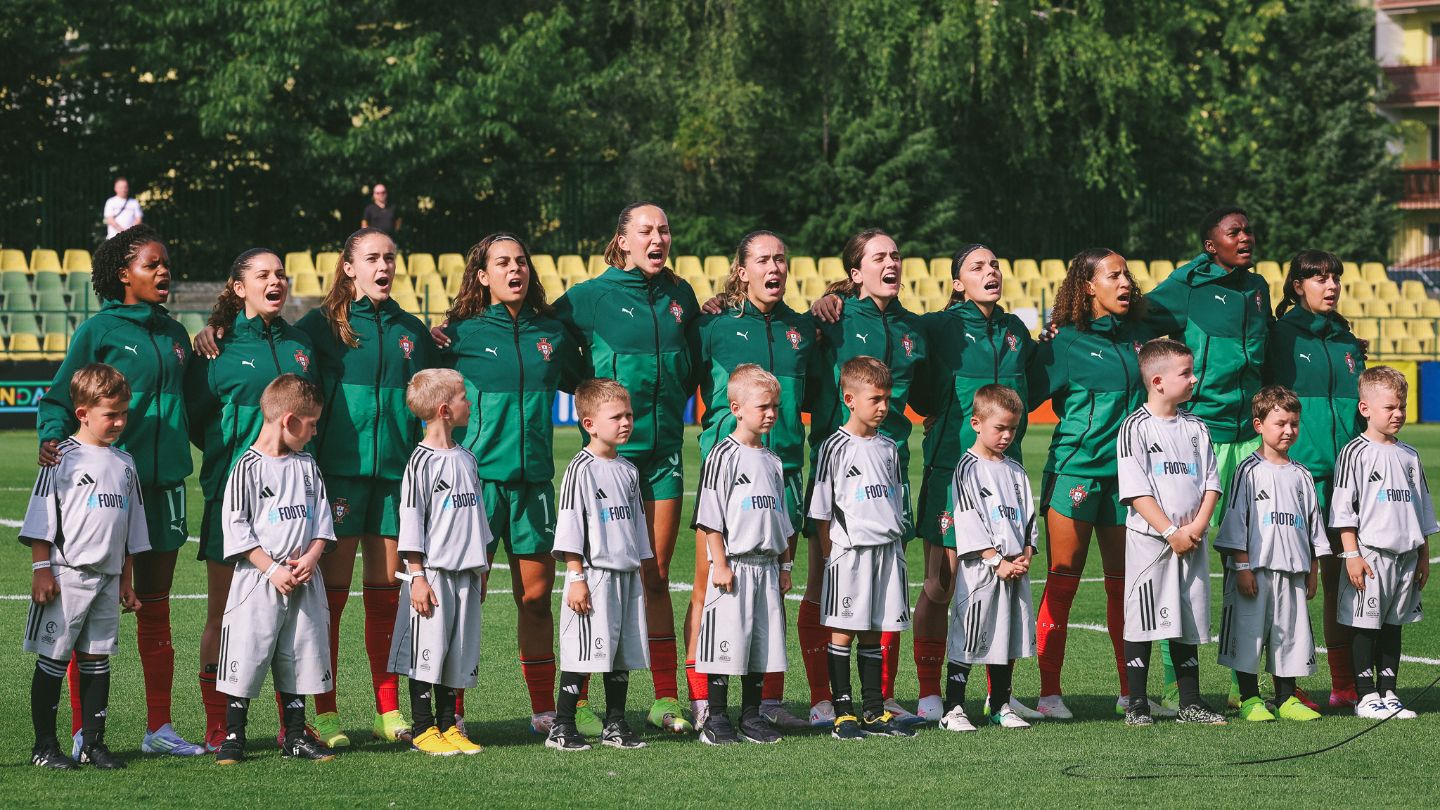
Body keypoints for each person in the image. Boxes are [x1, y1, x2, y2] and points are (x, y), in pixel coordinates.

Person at [194, 227, 436, 744]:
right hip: (314, 484)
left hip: (389, 481)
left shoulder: (397, 329)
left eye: (390, 257)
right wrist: (213, 329)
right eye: (373, 257)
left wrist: (449, 331)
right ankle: (302, 715)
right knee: (314, 602)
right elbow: (197, 416)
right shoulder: (318, 329)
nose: (384, 266)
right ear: (348, 267)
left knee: (382, 598)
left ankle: (385, 709)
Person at [36, 224, 203, 757]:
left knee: (155, 606)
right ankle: (85, 732)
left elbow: (198, 408)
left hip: (165, 487)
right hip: (104, 493)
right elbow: (61, 397)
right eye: (151, 264)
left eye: (165, 263)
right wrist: (49, 439)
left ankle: (159, 728)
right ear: (122, 273)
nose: (163, 271)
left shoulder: (178, 334)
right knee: (85, 611)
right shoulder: (98, 330)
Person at [553, 202, 700, 733]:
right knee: (595, 579)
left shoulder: (681, 295)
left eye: (664, 228)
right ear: (623, 240)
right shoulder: (591, 297)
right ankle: (582, 700)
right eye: (647, 230)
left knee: (654, 577)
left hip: (661, 459)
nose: (658, 237)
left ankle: (664, 698)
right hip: (609, 466)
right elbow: (548, 339)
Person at [433, 233, 582, 735]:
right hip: (474, 487)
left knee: (536, 599)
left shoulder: (552, 334)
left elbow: (585, 383)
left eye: (521, 261)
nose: (514, 269)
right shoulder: (458, 335)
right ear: (482, 275)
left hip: (535, 482)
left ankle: (544, 709)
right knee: (463, 599)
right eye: (502, 263)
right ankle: (449, 712)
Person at [185, 248, 319, 751]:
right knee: (225, 612)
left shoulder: (303, 344)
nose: (276, 281)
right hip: (233, 499)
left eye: (281, 273)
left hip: (294, 503)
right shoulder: (213, 349)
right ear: (238, 287)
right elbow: (199, 421)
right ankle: (219, 724)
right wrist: (231, 464)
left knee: (294, 615)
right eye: (263, 274)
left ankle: (292, 726)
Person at [1144, 207, 1272, 710]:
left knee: (1255, 558)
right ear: (1210, 243)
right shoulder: (1187, 283)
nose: (1245, 237)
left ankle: (1252, 687)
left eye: (1247, 230)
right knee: (1185, 558)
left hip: (1251, 437)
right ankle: (1179, 684)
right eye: (1233, 232)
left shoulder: (1258, 287)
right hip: (1200, 435)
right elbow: (1141, 319)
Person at [686, 230, 813, 731]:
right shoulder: (712, 327)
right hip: (730, 475)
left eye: (781, 258)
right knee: (708, 589)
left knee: (772, 590)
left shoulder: (803, 329)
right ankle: (702, 702)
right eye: (763, 260)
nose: (774, 268)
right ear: (742, 271)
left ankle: (766, 704)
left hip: (785, 472)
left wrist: (833, 299)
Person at [800, 228, 927, 727]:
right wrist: (818, 304)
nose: (892, 262)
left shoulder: (916, 328)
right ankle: (821, 699)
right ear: (856, 274)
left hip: (892, 466)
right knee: (823, 583)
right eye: (880, 257)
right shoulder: (830, 319)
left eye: (897, 254)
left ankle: (881, 700)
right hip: (842, 468)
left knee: (887, 586)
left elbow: (931, 398)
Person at [909, 242, 1040, 723]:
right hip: (951, 471)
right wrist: (836, 296)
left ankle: (997, 697)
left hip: (1005, 477)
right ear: (957, 283)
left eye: (996, 266)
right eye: (977, 267)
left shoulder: (1013, 330)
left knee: (1001, 581)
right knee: (943, 584)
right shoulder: (938, 326)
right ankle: (929, 693)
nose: (991, 273)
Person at [1029, 249, 1152, 720]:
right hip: (1075, 473)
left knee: (1125, 586)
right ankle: (1048, 694)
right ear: (1087, 286)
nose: (1125, 282)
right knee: (1064, 579)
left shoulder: (1142, 336)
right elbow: (1019, 391)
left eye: (1127, 274)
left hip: (1130, 482)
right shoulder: (1063, 343)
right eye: (1113, 275)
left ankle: (1130, 692)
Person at [23, 364, 145, 770]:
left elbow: (129, 530)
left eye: (124, 413)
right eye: (111, 414)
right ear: (83, 414)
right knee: (53, 661)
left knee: (97, 661)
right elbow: (41, 518)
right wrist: (42, 569)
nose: (119, 421)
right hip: (66, 575)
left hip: (109, 579)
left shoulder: (126, 463)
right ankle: (45, 747)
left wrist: (127, 581)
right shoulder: (59, 457)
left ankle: (93, 744)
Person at [213, 374, 338, 765]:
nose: (314, 432)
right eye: (312, 424)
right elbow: (235, 527)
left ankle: (296, 736)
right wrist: (271, 569)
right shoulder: (247, 467)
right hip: (258, 581)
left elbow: (322, 521)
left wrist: (314, 555)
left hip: (303, 580)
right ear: (288, 421)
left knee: (300, 652)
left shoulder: (306, 466)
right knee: (249, 652)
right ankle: (234, 735)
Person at [1264, 250, 1366, 708]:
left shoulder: (1347, 341)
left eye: (1335, 278)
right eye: (1319, 278)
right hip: (1297, 479)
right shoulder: (1278, 336)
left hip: (1347, 479)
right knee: (1292, 582)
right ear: (1297, 286)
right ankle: (1286, 686)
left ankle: (1344, 684)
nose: (1330, 286)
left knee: (1342, 580)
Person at [1115, 338, 1225, 726]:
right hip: (1152, 542)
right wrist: (1169, 532)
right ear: (1158, 381)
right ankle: (1138, 704)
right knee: (1143, 617)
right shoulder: (1135, 428)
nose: (1194, 378)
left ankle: (1190, 703)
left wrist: (1194, 528)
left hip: (1191, 541)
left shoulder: (1196, 427)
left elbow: (1212, 482)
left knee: (1188, 619)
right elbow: (1136, 491)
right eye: (1186, 373)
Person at [809, 356, 917, 740]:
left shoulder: (888, 446)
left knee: (875, 631)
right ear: (850, 399)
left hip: (887, 552)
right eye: (875, 399)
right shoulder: (833, 447)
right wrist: (828, 556)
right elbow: (821, 510)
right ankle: (843, 712)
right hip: (849, 553)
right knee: (843, 632)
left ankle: (874, 710)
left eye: (887, 398)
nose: (884, 407)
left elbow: (894, 499)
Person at [388, 369, 490, 756]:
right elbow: (411, 521)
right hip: (432, 576)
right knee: (425, 652)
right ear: (446, 410)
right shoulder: (420, 462)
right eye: (464, 396)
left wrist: (480, 569)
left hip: (466, 574)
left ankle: (449, 725)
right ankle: (422, 728)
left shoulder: (466, 458)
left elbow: (477, 517)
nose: (470, 402)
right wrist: (417, 576)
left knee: (457, 652)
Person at [547, 379, 652, 752]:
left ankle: (615, 722)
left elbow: (637, 523)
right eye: (616, 416)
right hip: (593, 575)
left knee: (620, 653)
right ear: (589, 423)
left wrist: (640, 566)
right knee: (583, 651)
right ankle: (561, 726)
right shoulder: (582, 468)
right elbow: (572, 523)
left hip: (625, 575)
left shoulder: (627, 469)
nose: (626, 422)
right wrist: (575, 576)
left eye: (629, 415)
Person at [1215, 387, 1328, 723]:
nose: (1288, 431)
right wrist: (1243, 566)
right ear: (1259, 425)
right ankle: (1250, 698)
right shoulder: (1247, 471)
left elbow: (1312, 527)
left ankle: (1286, 698)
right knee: (1248, 634)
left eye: (1293, 423)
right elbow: (1236, 520)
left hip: (1293, 570)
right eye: (1280, 423)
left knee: (1289, 635)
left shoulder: (1302, 475)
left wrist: (1313, 569)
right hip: (1256, 571)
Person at [693, 365, 792, 745]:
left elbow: (780, 519)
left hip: (766, 566)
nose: (771, 413)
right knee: (725, 641)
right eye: (763, 406)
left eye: (776, 407)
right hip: (733, 564)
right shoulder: (723, 454)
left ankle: (751, 716)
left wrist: (785, 565)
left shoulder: (772, 459)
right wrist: (718, 563)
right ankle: (716, 717)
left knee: (759, 645)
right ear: (736, 408)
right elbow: (709, 518)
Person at [1331, 366, 1437, 720]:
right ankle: (1365, 696)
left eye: (1402, 407)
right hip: (1371, 555)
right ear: (1365, 409)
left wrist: (1423, 554)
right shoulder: (1354, 452)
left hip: (1406, 556)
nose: (1398, 414)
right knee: (1365, 625)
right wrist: (1351, 554)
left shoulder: (1409, 455)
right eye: (1390, 407)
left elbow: (1421, 508)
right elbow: (1344, 510)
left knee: (1393, 624)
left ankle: (1389, 692)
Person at [935, 384, 1037, 733]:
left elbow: (1028, 519)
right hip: (981, 570)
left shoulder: (1016, 471)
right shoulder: (967, 467)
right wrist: (996, 560)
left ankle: (1001, 704)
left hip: (1013, 569)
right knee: (970, 633)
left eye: (1013, 428)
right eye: (1000, 428)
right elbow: (967, 519)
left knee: (1006, 636)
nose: (1007, 435)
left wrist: (1025, 555)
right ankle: (954, 708)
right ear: (977, 423)